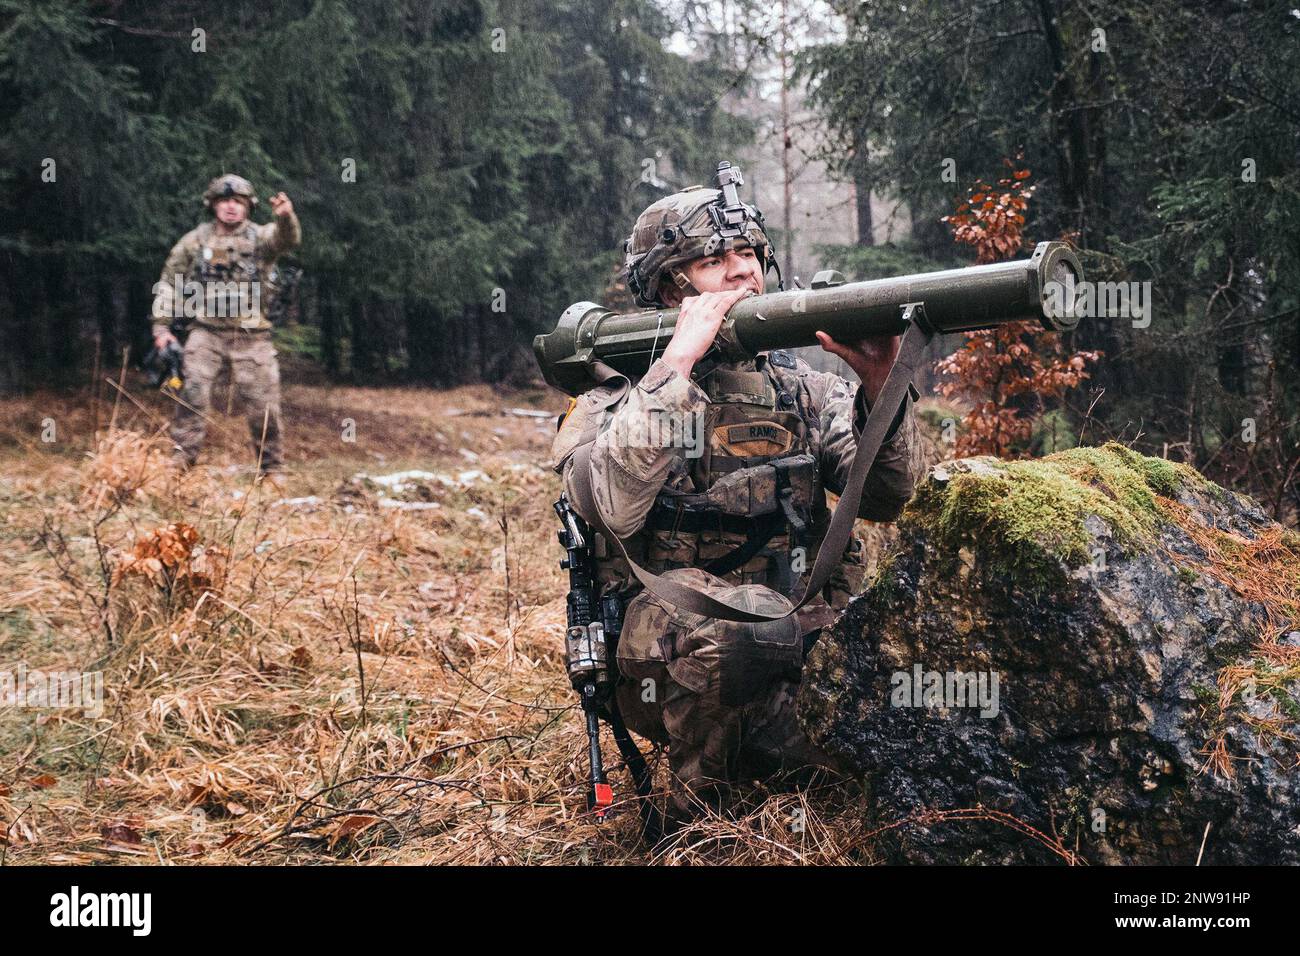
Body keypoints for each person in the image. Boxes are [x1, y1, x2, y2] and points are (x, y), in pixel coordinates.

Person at [551, 164, 920, 821]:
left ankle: (792, 755)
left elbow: (889, 496)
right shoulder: (613, 400)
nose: (741, 271)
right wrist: (676, 367)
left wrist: (882, 385)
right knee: (732, 625)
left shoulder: (800, 390)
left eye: (748, 253)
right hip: (666, 659)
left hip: (802, 635)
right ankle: (707, 821)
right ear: (670, 288)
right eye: (713, 259)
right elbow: (611, 505)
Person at [150, 173, 301, 474]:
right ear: (213, 205)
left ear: (248, 207)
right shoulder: (195, 241)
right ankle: (180, 466)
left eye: (238, 202)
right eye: (225, 201)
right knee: (191, 395)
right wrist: (161, 328)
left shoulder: (261, 237)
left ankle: (272, 471)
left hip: (252, 335)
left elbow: (288, 240)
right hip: (206, 331)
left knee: (264, 408)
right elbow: (170, 283)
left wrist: (286, 218)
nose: (231, 207)